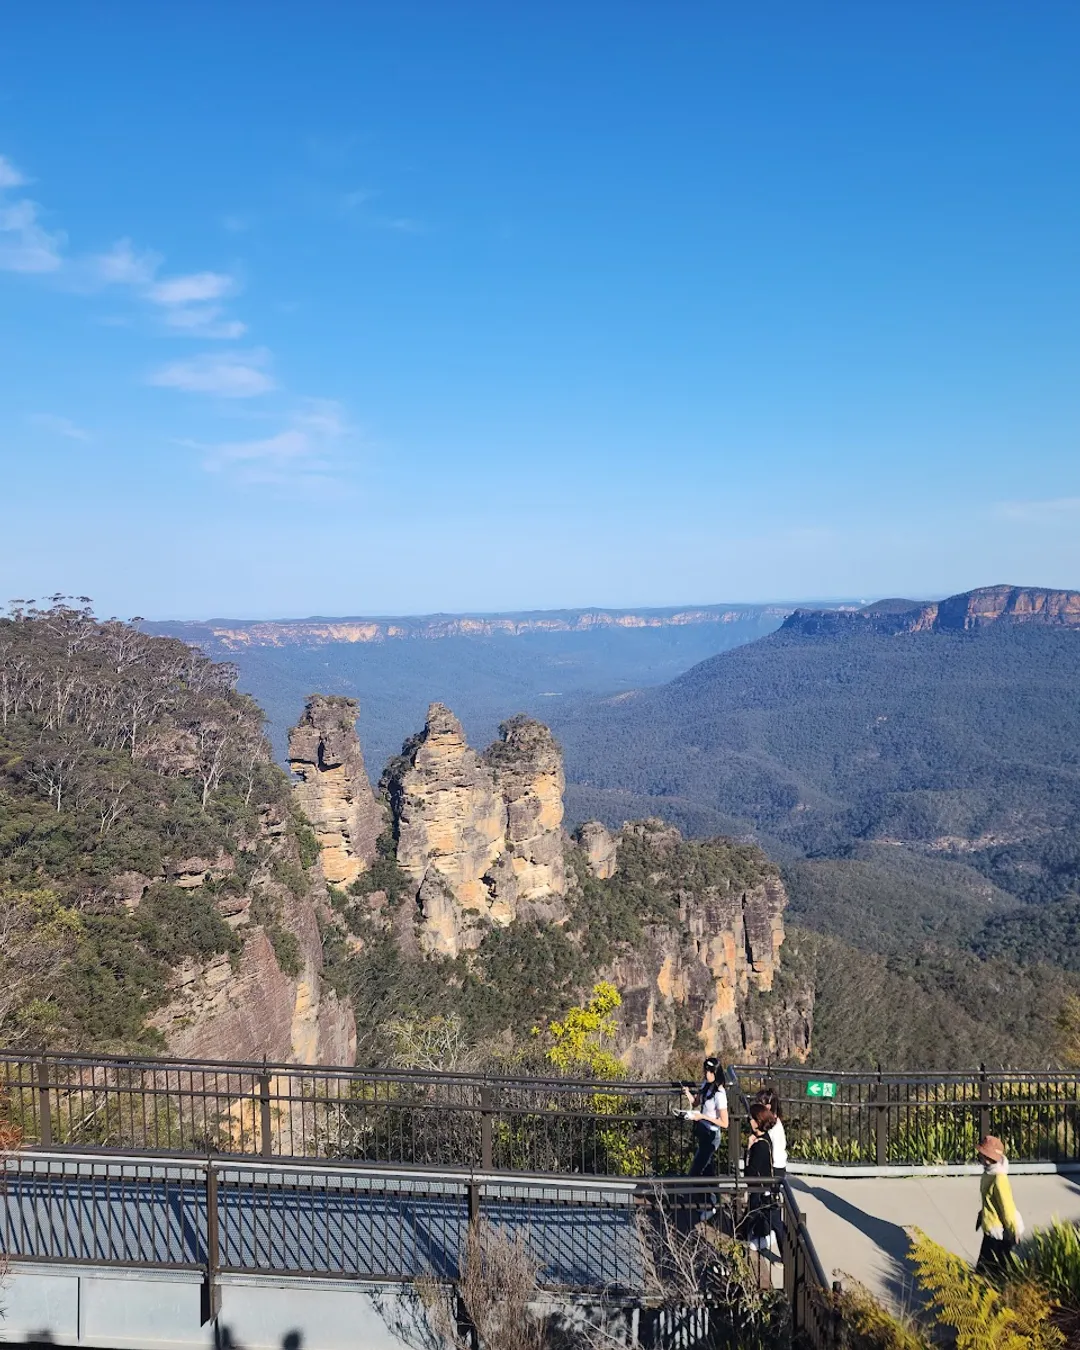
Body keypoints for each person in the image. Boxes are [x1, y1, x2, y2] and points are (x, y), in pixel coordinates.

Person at [975, 1134, 1021, 1276]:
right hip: (990, 1225)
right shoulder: (988, 1173)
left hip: (998, 1230)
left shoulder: (999, 1178)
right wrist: (982, 1214)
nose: (982, 1158)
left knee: (992, 1266)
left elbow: (1006, 1207)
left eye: (985, 1156)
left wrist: (1014, 1230)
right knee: (994, 1264)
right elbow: (989, 1201)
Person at [682, 1055, 729, 1177]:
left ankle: (701, 1195)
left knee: (697, 1170)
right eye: (706, 1071)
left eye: (710, 1072)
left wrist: (703, 1117)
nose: (707, 1074)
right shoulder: (705, 1084)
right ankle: (709, 1195)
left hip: (711, 1134)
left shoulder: (720, 1094)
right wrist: (687, 1092)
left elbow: (725, 1123)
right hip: (703, 1131)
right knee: (707, 1170)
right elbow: (695, 1102)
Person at [754, 1087, 787, 1181]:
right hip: (776, 1164)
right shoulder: (773, 1121)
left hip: (774, 1165)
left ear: (768, 1106)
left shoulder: (772, 1124)